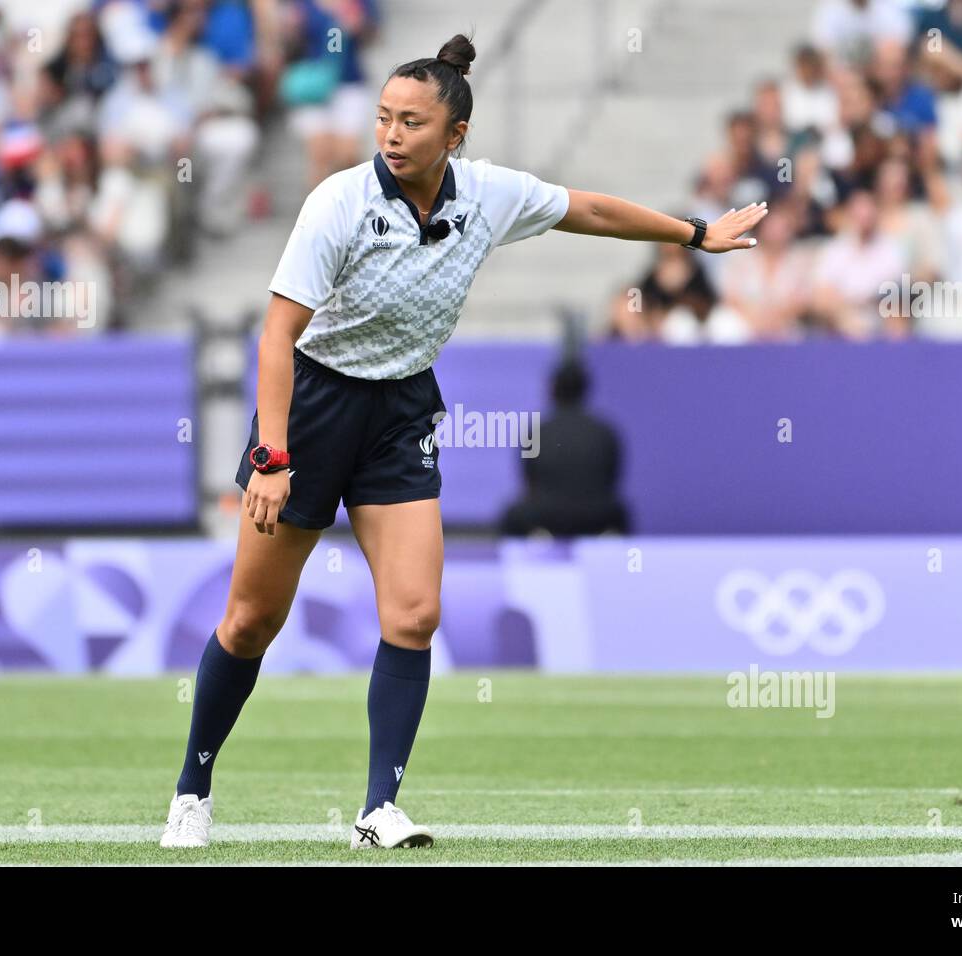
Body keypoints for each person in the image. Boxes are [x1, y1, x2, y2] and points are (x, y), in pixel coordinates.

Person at [159, 33, 767, 851]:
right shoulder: (338, 203)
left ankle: (378, 810)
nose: (391, 134)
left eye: (411, 121)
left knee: (414, 614)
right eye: (383, 119)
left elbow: (586, 209)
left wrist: (693, 234)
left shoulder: (489, 195)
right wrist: (271, 456)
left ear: (455, 135)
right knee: (250, 622)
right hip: (310, 408)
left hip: (402, 409)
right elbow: (276, 337)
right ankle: (192, 792)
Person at [500, 361, 628, 537]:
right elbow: (611, 481)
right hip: (597, 516)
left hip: (546, 517)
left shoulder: (537, 432)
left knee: (512, 515)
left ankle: (538, 539)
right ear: (585, 389)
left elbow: (529, 483)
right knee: (620, 512)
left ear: (552, 389)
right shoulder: (605, 432)